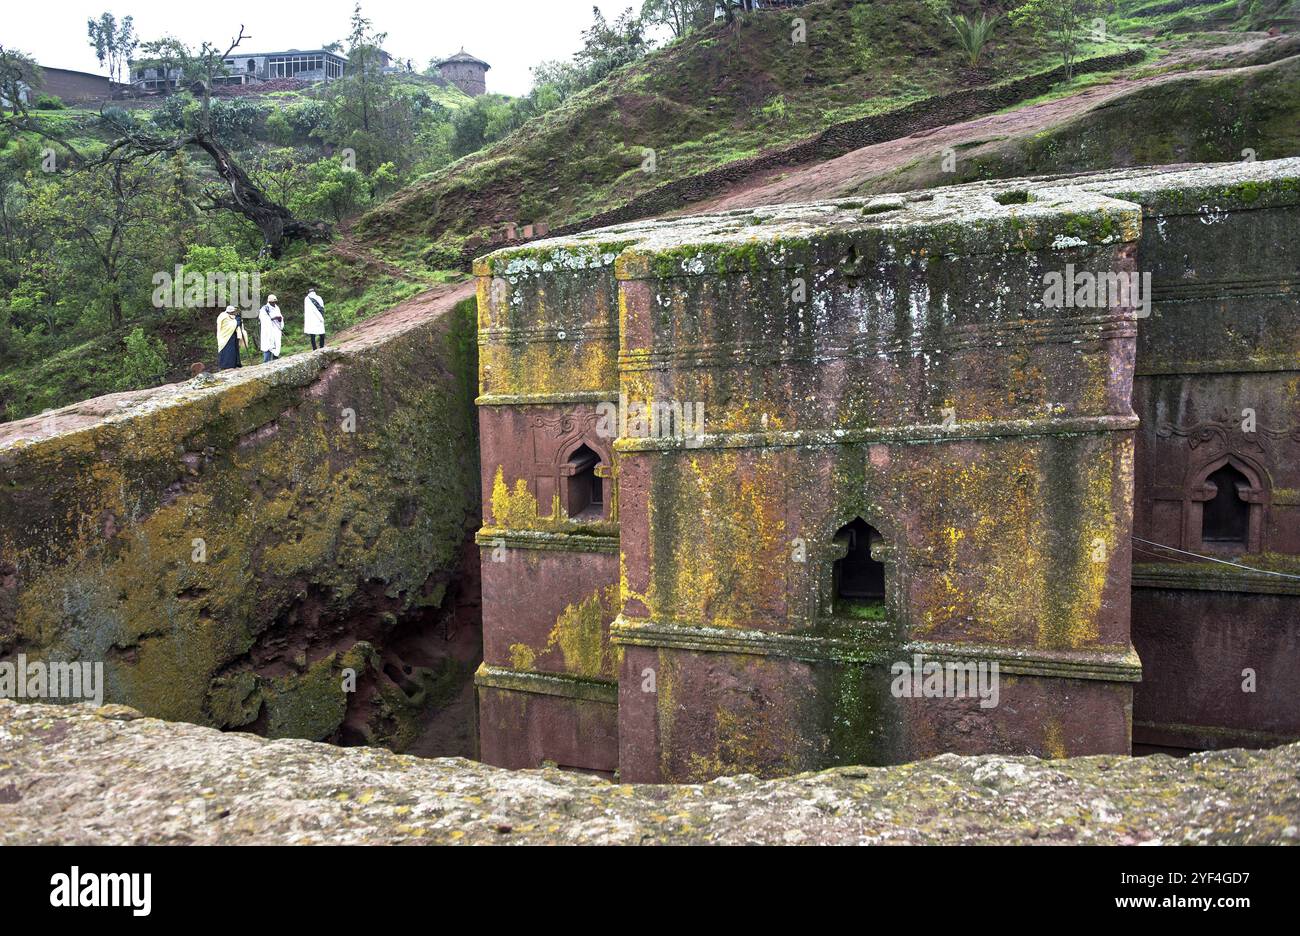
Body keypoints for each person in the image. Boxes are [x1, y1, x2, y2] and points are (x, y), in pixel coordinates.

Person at [216, 305, 247, 371]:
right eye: (232, 312)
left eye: (234, 312)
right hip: (226, 338)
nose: (234, 313)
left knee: (235, 350)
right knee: (228, 351)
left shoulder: (232, 317)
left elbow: (235, 324)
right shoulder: (223, 316)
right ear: (228, 312)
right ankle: (227, 366)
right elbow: (231, 326)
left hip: (233, 336)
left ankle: (236, 363)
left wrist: (238, 320)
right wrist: (237, 321)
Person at [258, 294, 284, 363]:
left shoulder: (277, 308)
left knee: (276, 345)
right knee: (268, 346)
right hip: (268, 331)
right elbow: (263, 319)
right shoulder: (264, 309)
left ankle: (275, 361)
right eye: (272, 302)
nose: (274, 303)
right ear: (269, 301)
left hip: (276, 330)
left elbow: (280, 316)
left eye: (274, 302)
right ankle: (266, 362)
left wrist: (280, 319)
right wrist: (273, 318)